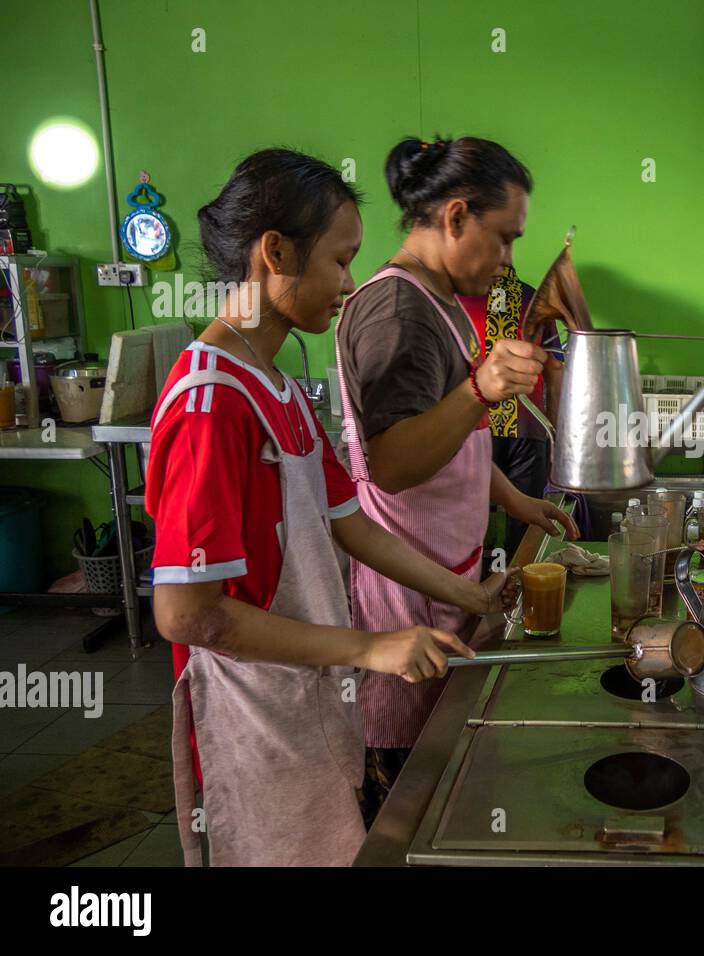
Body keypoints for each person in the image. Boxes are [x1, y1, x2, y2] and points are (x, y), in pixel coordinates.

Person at [147, 149, 519, 866]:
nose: (350, 284)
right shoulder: (211, 405)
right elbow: (186, 614)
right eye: (339, 261)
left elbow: (352, 523)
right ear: (275, 251)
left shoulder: (277, 391)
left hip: (308, 698)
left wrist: (470, 595)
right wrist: (369, 647)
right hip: (249, 715)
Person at [335, 135, 580, 811]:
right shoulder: (397, 310)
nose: (507, 260)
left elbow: (458, 443)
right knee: (407, 789)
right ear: (455, 216)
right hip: (404, 586)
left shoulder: (437, 301)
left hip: (443, 570)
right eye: (503, 239)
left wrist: (519, 502)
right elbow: (391, 465)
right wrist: (481, 389)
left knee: (442, 764)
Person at [457, 263, 564, 560]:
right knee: (517, 522)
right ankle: (515, 588)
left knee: (486, 517)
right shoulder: (460, 297)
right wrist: (557, 439)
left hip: (503, 428)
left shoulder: (463, 297)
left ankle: (497, 586)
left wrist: (557, 439)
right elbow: (556, 377)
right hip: (494, 427)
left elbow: (556, 375)